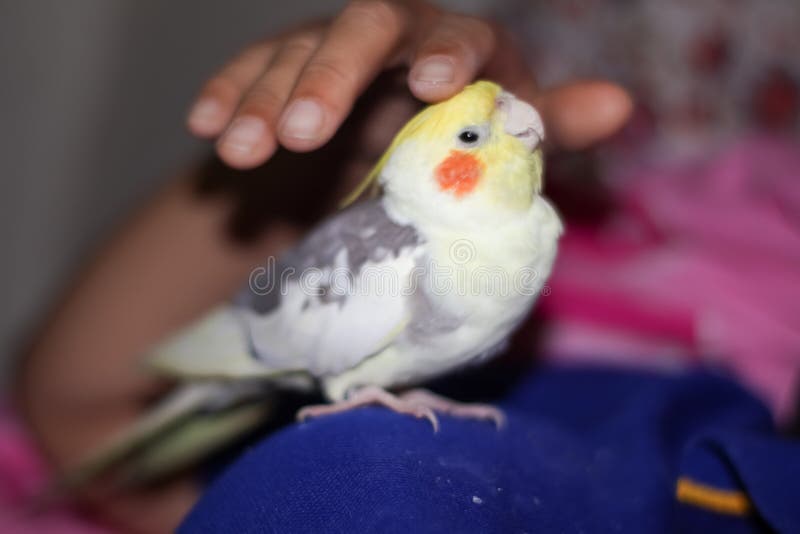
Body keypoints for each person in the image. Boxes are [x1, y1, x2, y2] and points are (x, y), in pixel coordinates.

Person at [15, 1, 632, 532]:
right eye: (474, 136)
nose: (519, 122)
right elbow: (69, 401)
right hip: (269, 345)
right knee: (138, 445)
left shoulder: (532, 234)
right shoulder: (405, 247)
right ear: (445, 174)